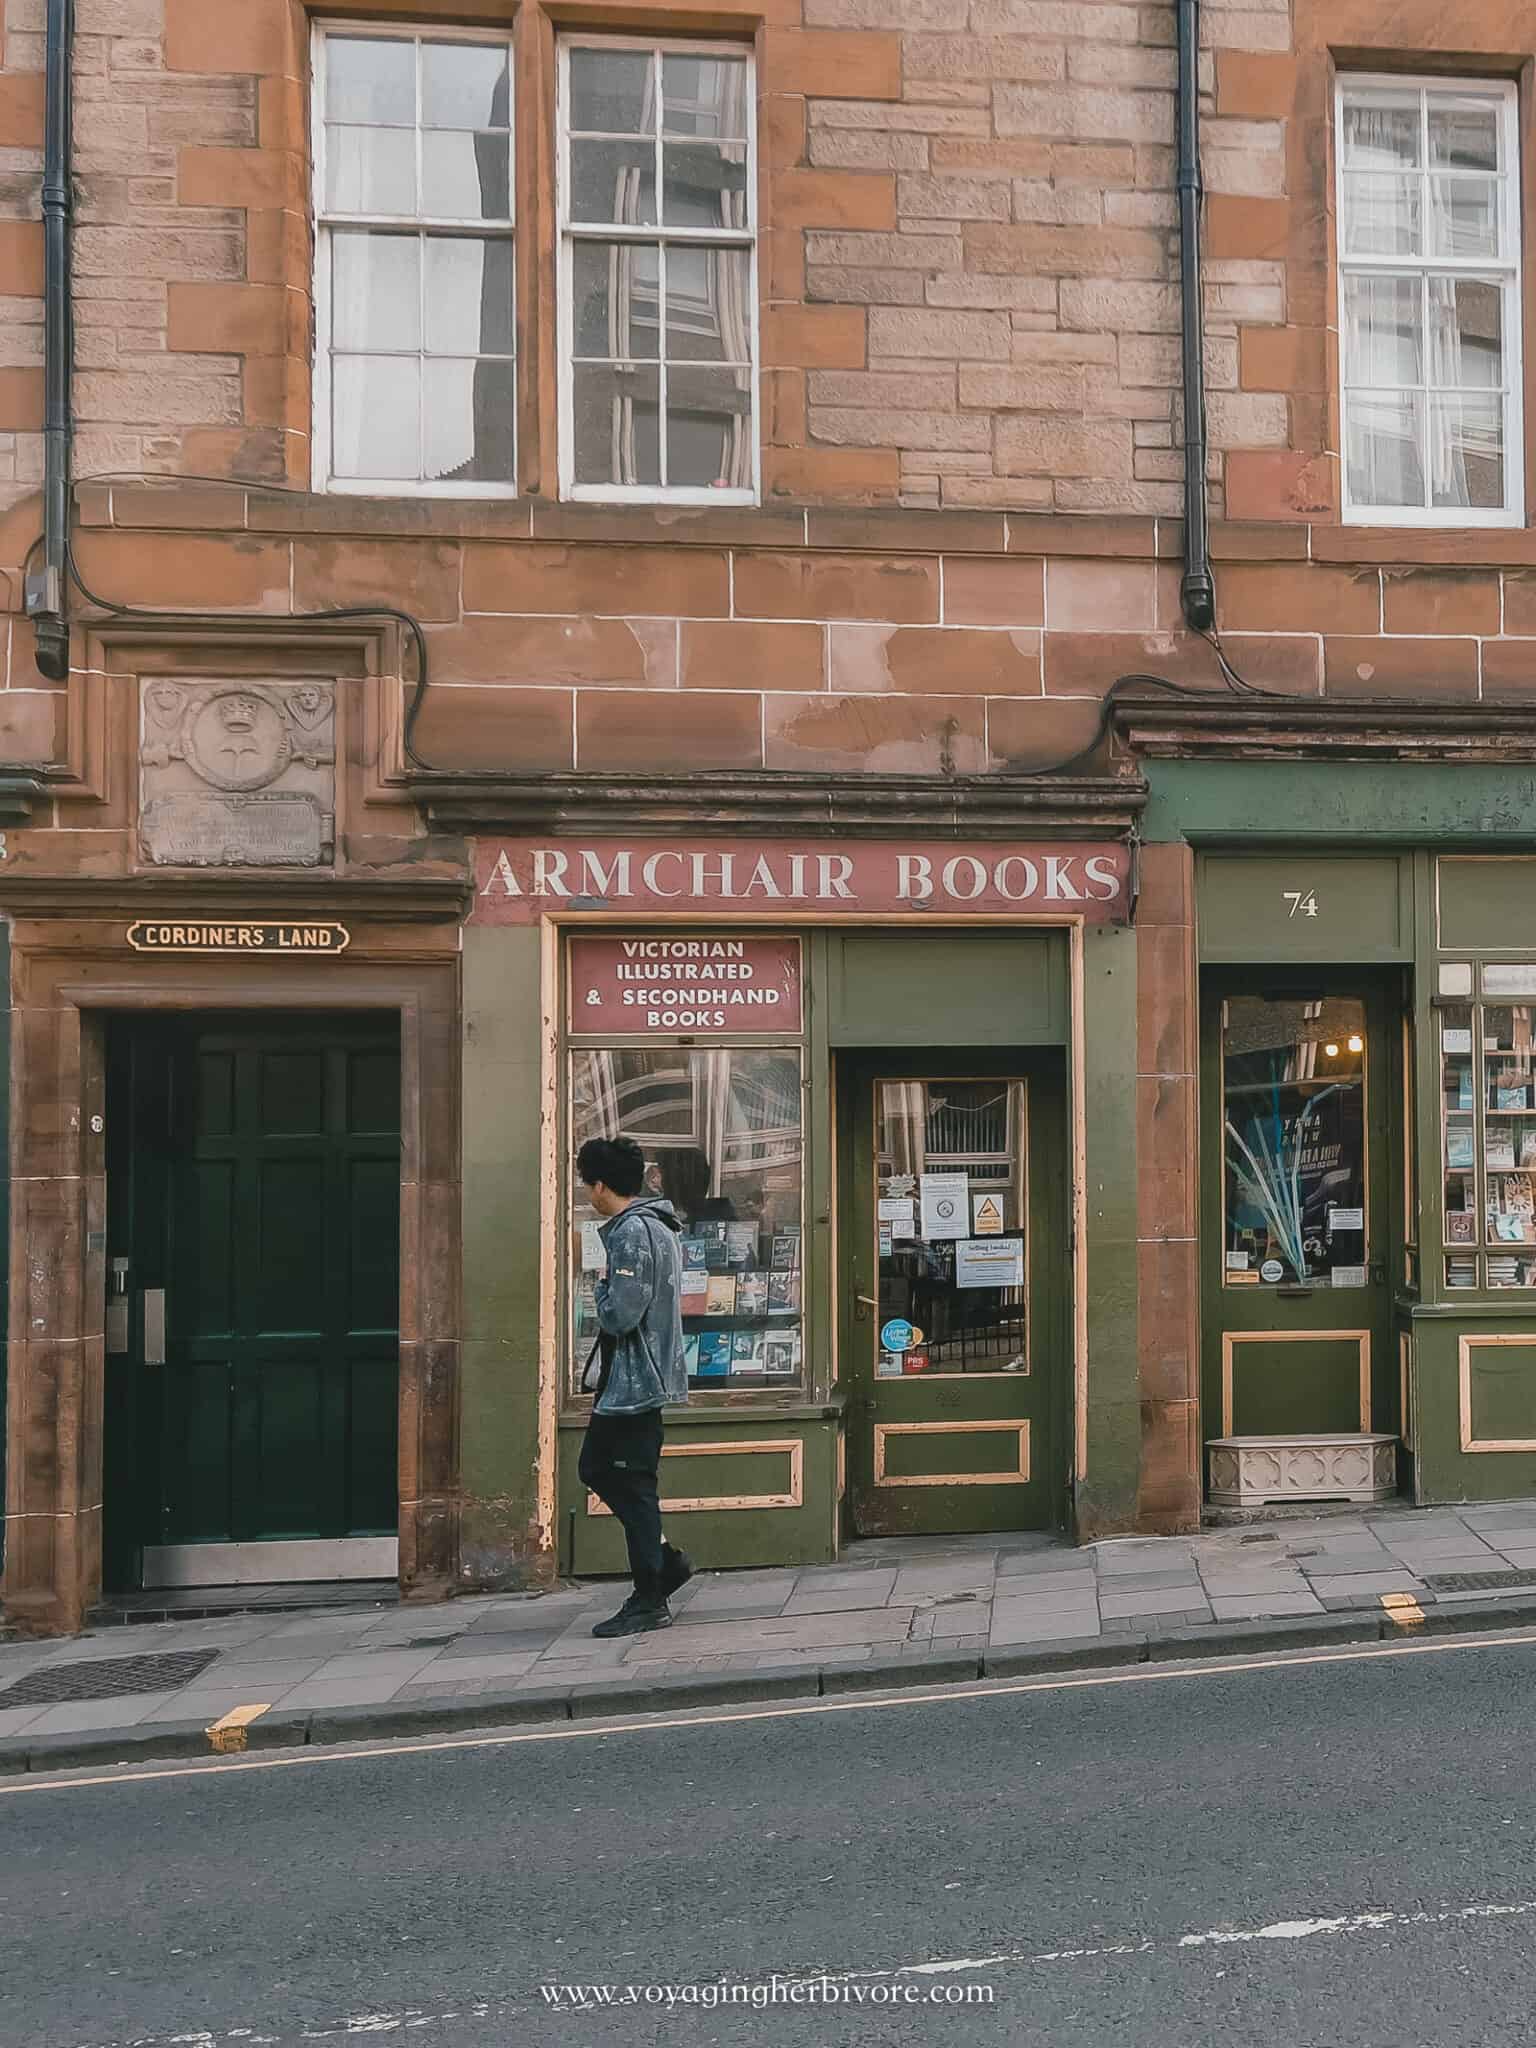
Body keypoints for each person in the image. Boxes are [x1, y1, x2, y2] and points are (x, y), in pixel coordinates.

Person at [577, 1135, 694, 1637]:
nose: (587, 1193)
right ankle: (662, 1564)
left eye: (588, 1184)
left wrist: (599, 1289)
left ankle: (651, 1593)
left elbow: (622, 1314)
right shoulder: (659, 1225)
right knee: (612, 1473)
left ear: (600, 1185)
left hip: (632, 1382)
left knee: (625, 1481)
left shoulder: (630, 1232)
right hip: (646, 1379)